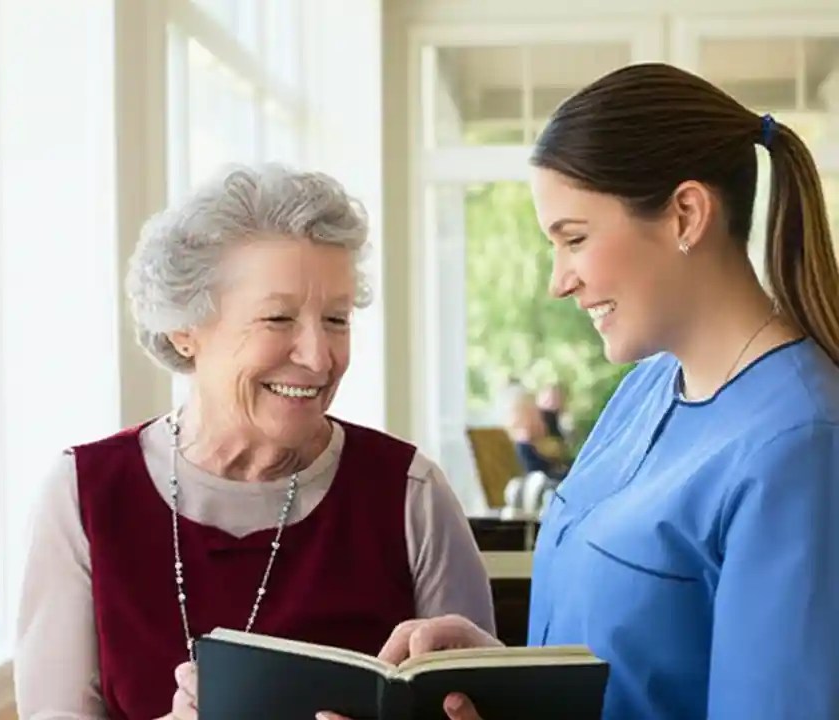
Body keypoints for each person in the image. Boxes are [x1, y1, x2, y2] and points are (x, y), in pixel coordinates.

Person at [324, 61, 839, 720]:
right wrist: (504, 676)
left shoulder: (800, 444)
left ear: (685, 214)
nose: (558, 281)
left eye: (574, 238)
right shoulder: (646, 389)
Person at [12, 164, 496, 719]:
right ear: (184, 329)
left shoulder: (411, 493)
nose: (319, 357)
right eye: (277, 318)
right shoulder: (84, 495)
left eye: (336, 319)